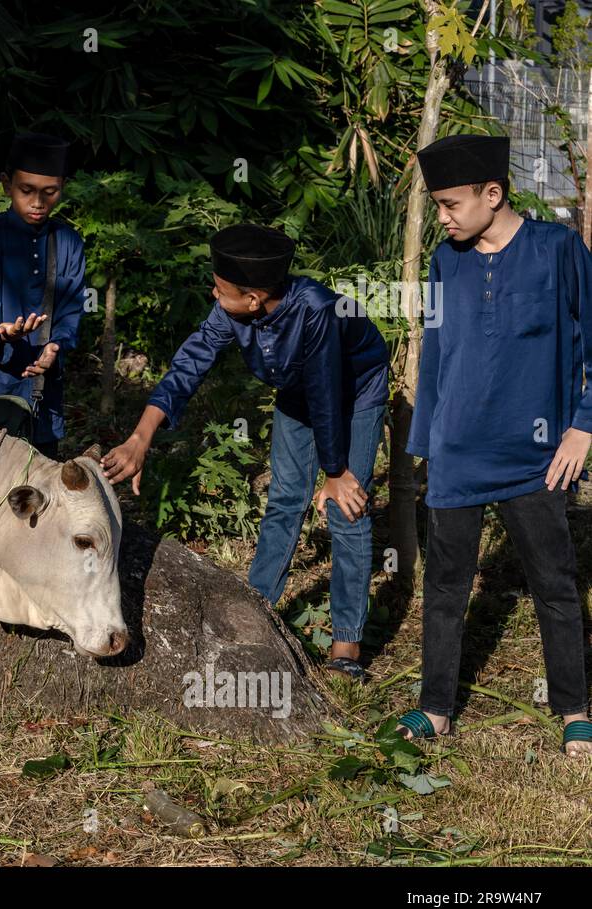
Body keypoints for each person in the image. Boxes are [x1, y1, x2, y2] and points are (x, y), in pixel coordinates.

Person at [102, 224, 390, 680]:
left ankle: (346, 648)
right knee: (285, 499)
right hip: (299, 392)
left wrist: (335, 473)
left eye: (220, 291)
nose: (214, 297)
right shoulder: (232, 312)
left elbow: (327, 392)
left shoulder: (317, 310)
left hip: (354, 392)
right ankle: (253, 610)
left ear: (254, 298)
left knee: (347, 507)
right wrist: (141, 436)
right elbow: (190, 363)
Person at [399, 134, 592, 755]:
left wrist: (583, 425)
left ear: (493, 193)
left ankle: (573, 709)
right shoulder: (444, 260)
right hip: (458, 452)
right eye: (437, 206)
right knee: (447, 585)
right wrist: (427, 440)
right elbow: (435, 356)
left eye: (452, 204)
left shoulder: (558, 251)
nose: (444, 217)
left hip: (536, 456)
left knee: (555, 584)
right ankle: (436, 708)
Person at [0, 132, 87, 458]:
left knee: (39, 491)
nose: (38, 203)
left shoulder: (68, 242)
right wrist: (0, 334)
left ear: (62, 187)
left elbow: (71, 309)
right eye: (26, 191)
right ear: (5, 184)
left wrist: (57, 345)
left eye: (50, 192)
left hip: (44, 394)